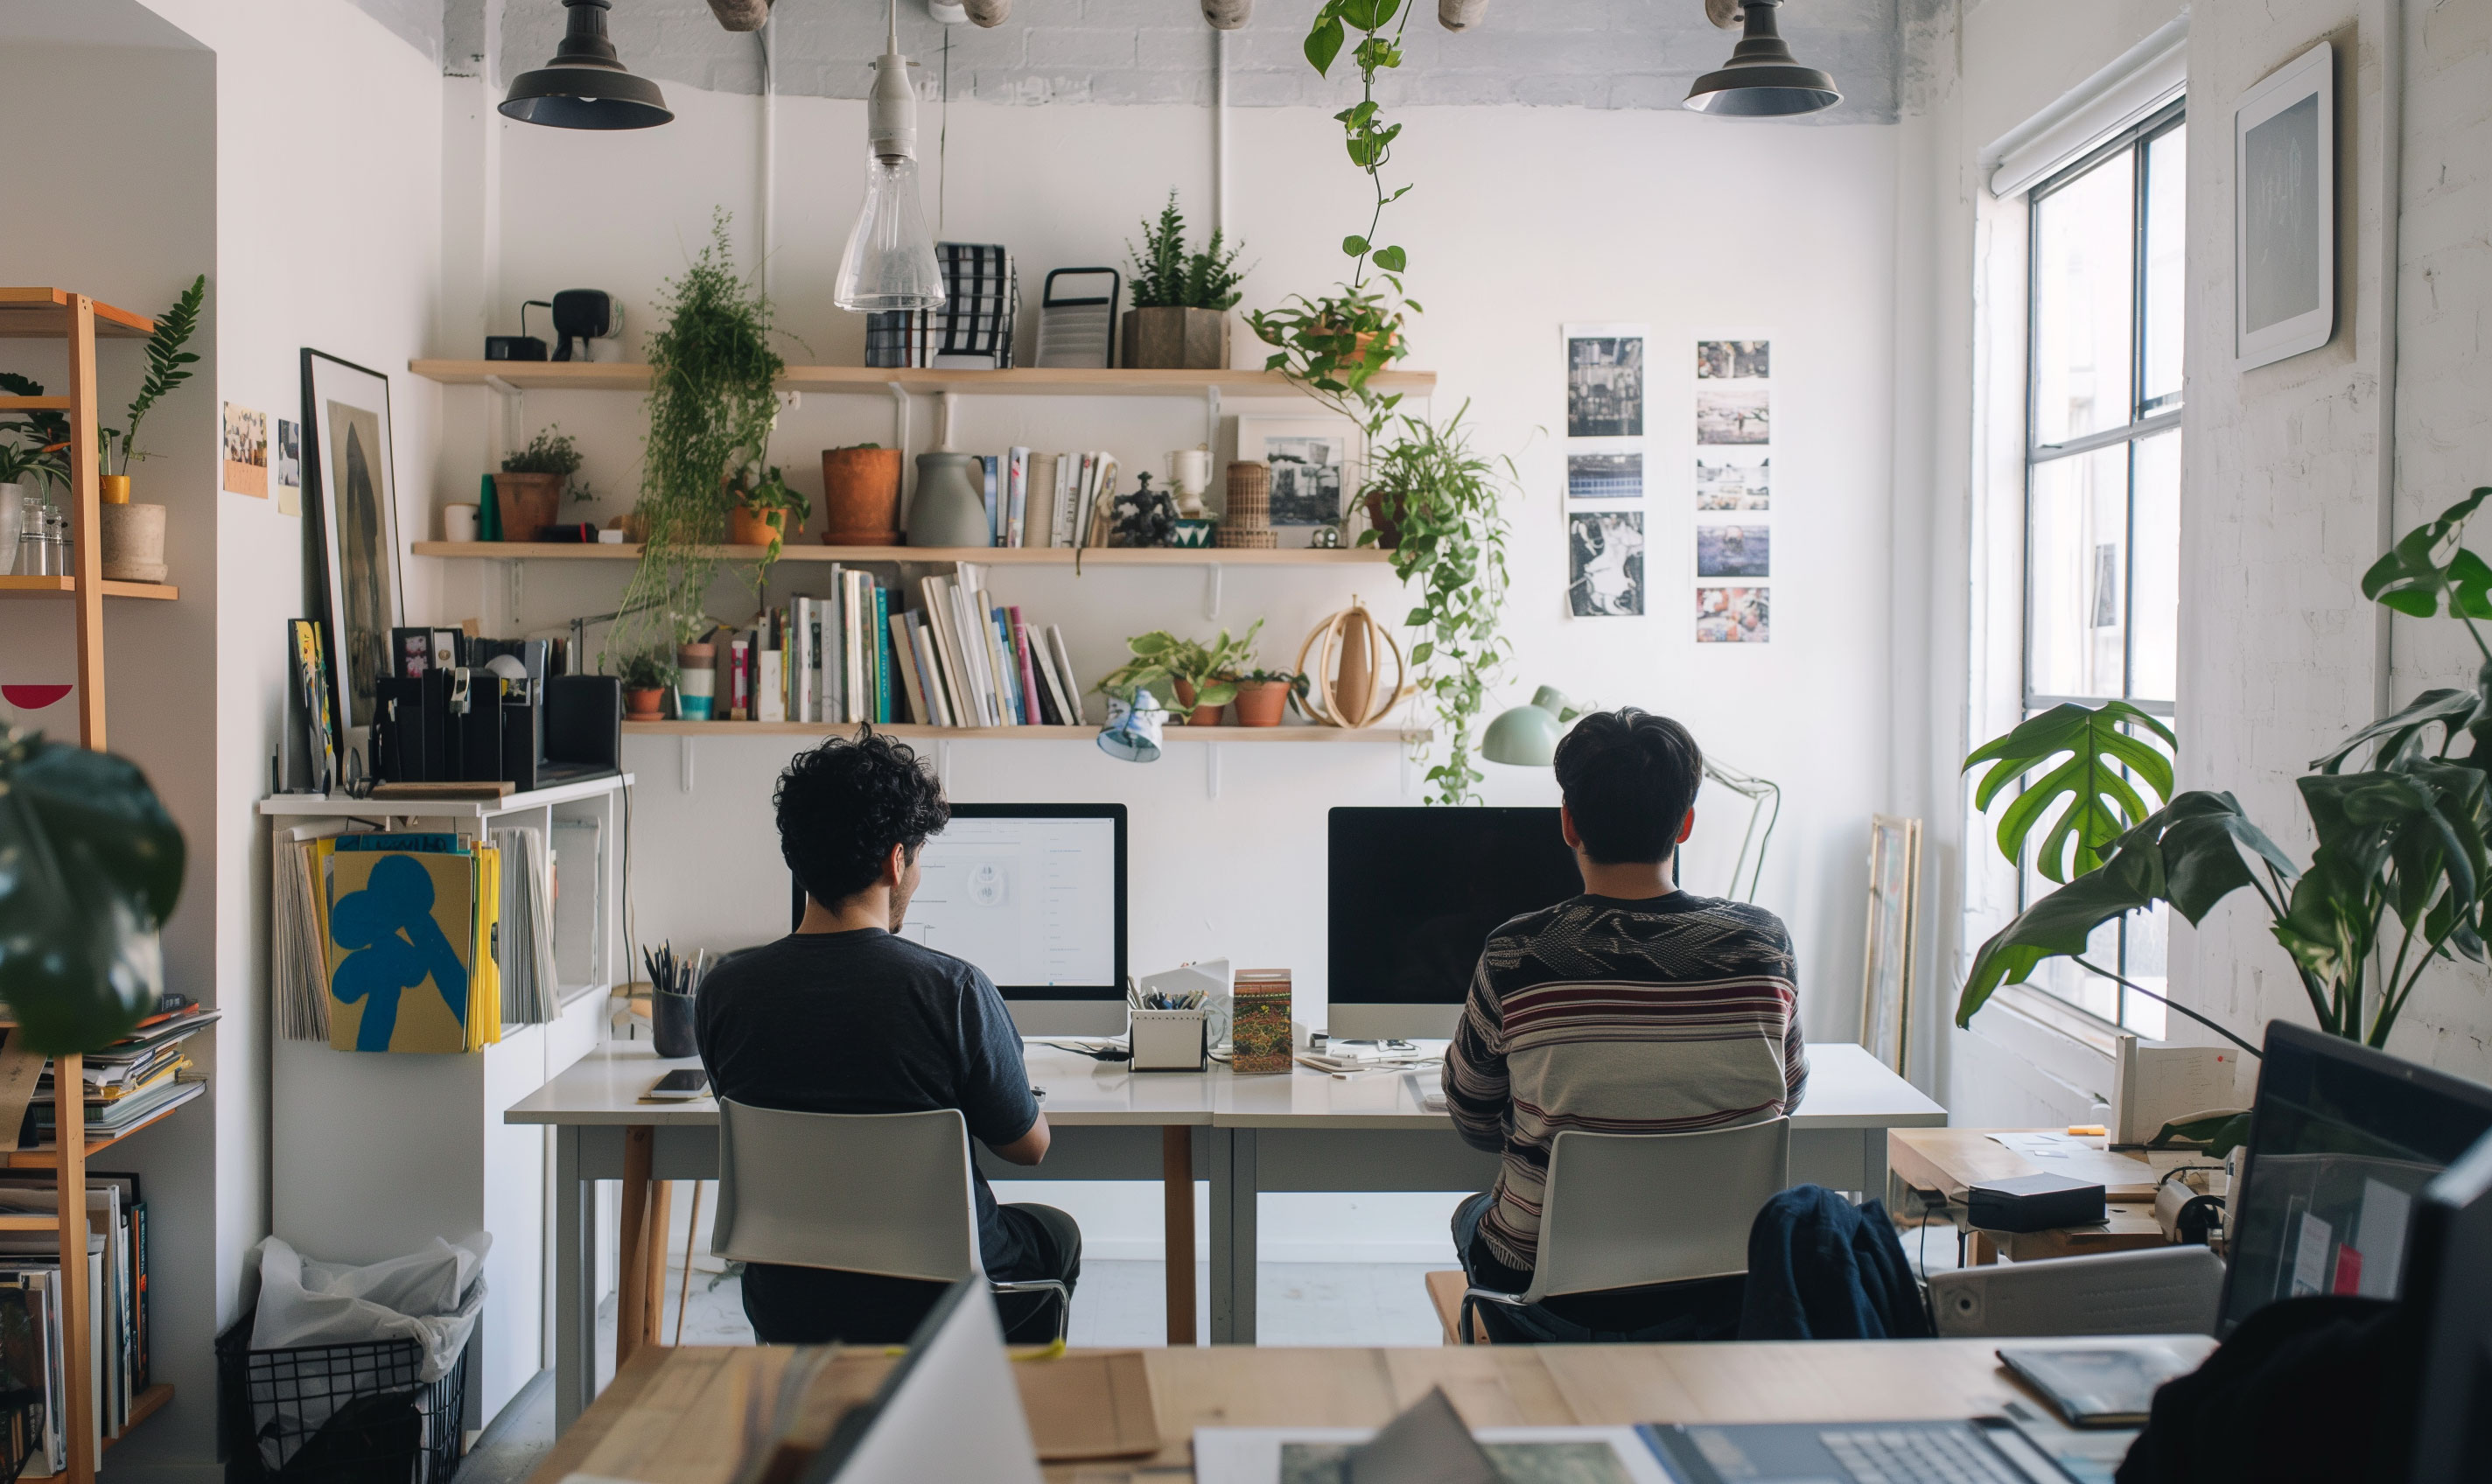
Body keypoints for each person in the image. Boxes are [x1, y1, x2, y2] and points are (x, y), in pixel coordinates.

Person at [696, 730, 1080, 1344]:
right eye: (919, 858)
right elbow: (1028, 1147)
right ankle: (997, 1397)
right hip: (939, 1299)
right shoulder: (953, 990)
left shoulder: (723, 993)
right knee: (1057, 1233)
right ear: (895, 861)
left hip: (789, 1302)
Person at [1442, 708, 1807, 1340]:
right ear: (1685, 823)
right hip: (1723, 1292)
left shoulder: (1515, 953)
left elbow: (1471, 1115)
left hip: (1550, 1302)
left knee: (1472, 1215)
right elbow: (1788, 1094)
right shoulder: (1763, 942)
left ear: (1568, 823)